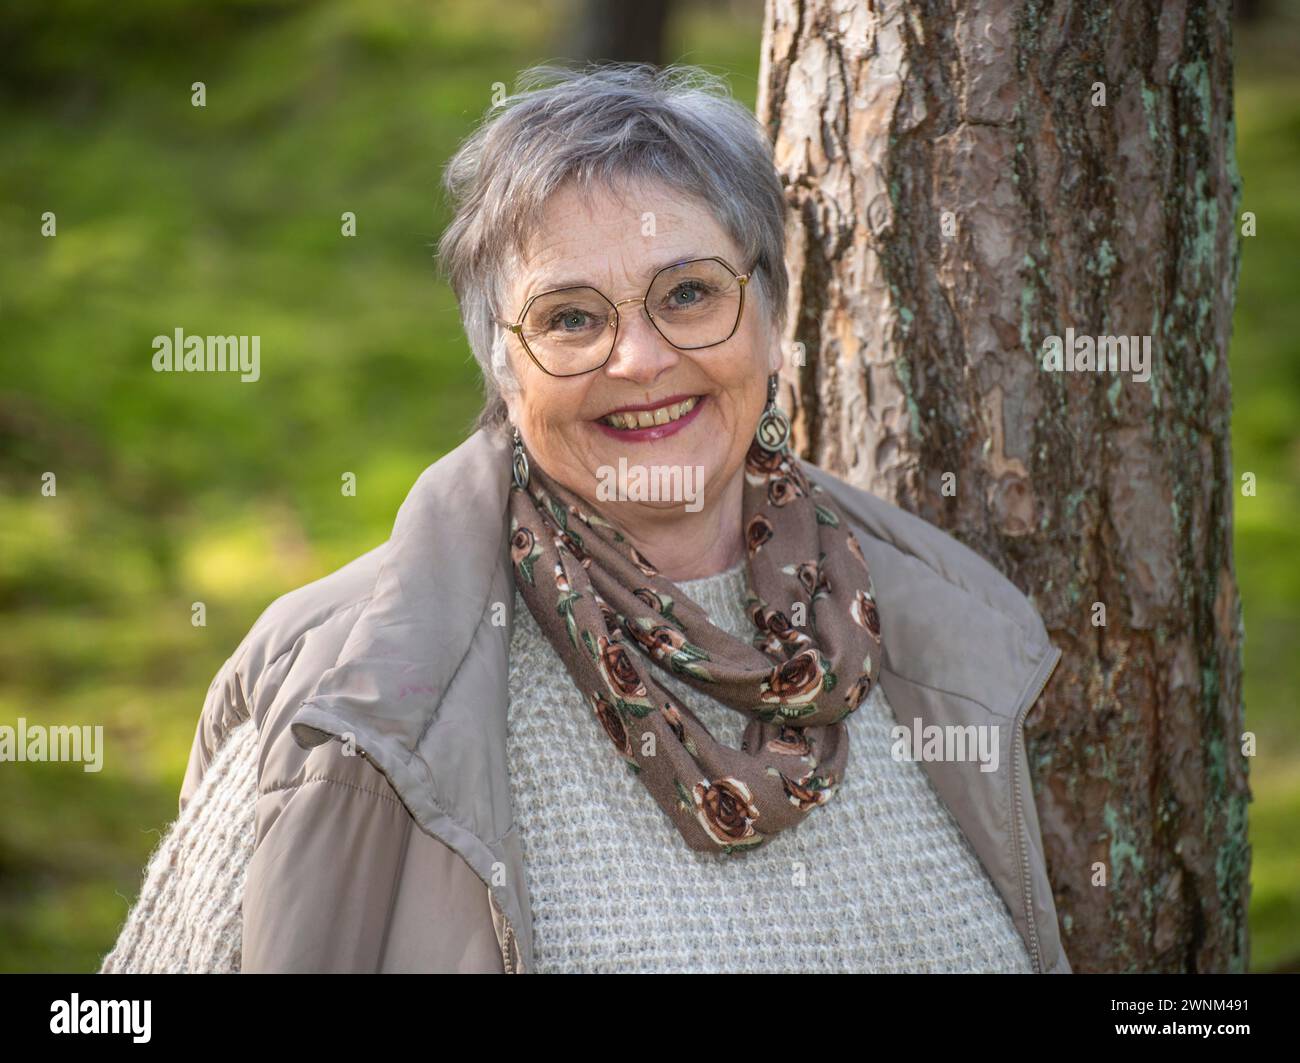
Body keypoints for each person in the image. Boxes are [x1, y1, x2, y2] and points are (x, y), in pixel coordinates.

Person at [101, 62, 1069, 974]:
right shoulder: (343, 694)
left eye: (688, 293)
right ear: (501, 368)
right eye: (570, 317)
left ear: (772, 320)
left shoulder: (949, 636)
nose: (639, 359)